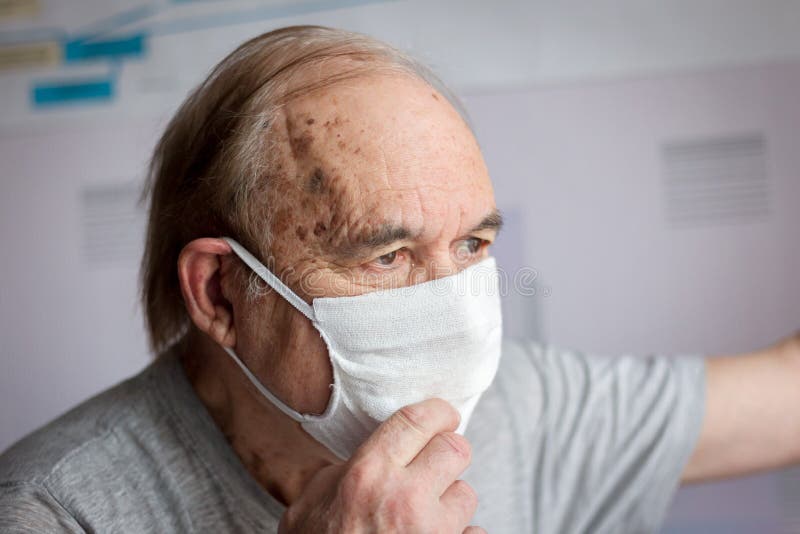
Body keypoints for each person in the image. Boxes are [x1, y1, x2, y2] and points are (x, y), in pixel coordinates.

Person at [1, 25, 798, 533]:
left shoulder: (525, 408)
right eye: (387, 257)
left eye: (474, 245)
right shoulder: (52, 511)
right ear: (220, 293)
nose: (450, 304)